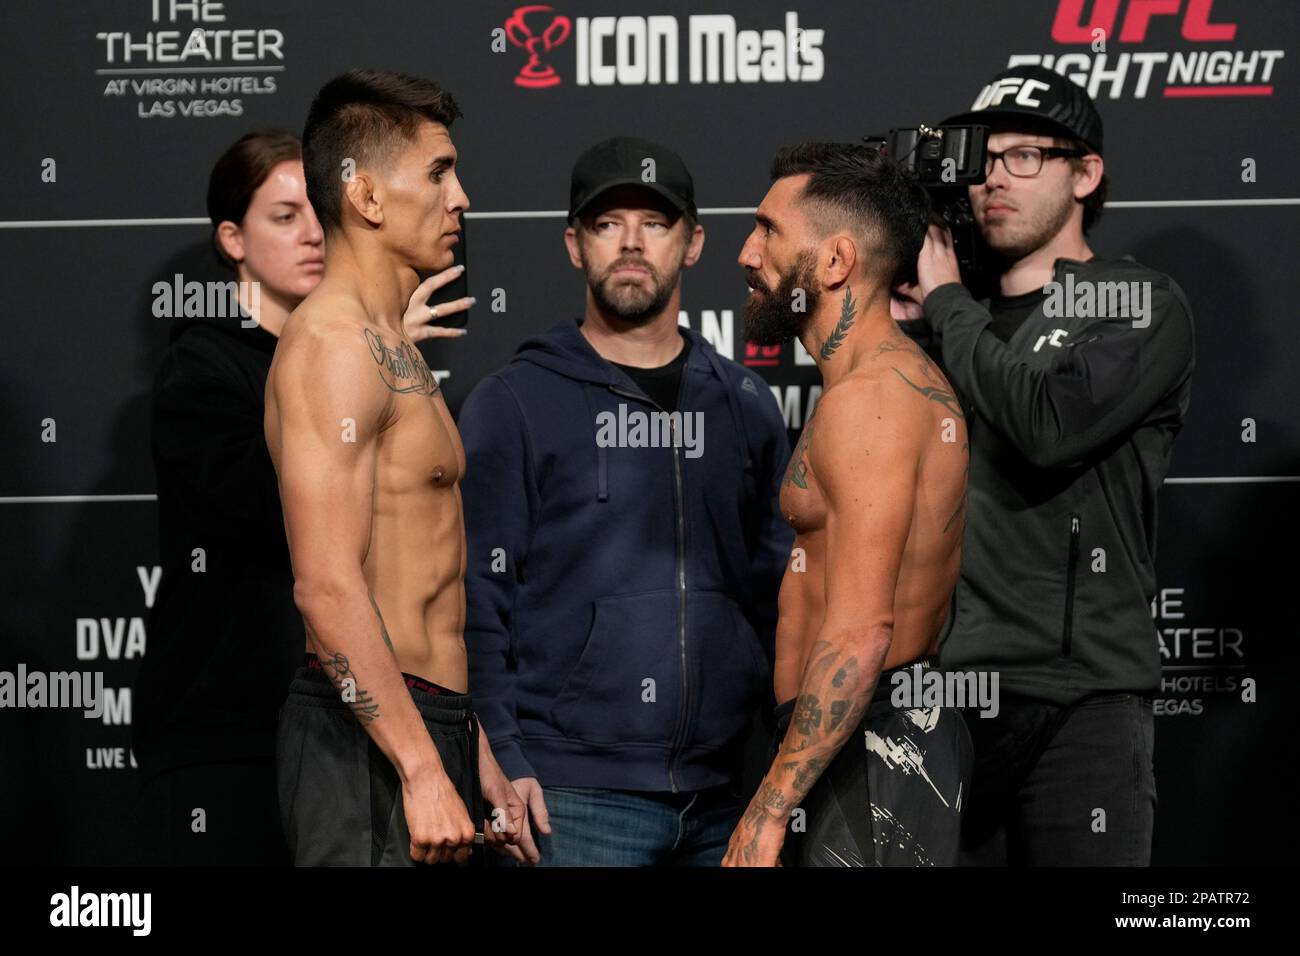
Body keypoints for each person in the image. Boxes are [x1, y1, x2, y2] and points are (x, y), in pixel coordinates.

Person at [133, 128, 468, 865]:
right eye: (284, 217)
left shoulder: (366, 350)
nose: (314, 234)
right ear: (233, 239)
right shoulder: (203, 369)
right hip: (227, 731)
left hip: (357, 712)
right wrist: (370, 368)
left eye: (316, 211)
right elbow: (277, 514)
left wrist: (384, 355)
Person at [458, 136, 793, 866]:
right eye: (608, 223)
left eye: (656, 223)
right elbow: (476, 597)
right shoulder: (513, 402)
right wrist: (502, 750)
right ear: (574, 245)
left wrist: (782, 764)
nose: (632, 243)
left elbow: (778, 594)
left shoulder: (744, 403)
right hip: (568, 795)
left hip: (727, 793)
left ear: (693, 243)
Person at [897, 65, 1195, 865]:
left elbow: (1048, 427)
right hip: (945, 699)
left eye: (1024, 156)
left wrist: (946, 304)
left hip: (1080, 700)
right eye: (983, 158)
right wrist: (905, 328)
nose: (995, 178)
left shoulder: (1133, 299)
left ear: (1085, 174)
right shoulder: (942, 324)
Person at [265, 70, 521, 866]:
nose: (462, 199)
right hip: (366, 739)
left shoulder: (389, 346)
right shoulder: (333, 346)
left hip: (427, 722)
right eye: (439, 173)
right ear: (367, 195)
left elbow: (417, 572)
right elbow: (326, 585)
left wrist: (472, 752)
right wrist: (419, 768)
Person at [723, 143, 973, 868]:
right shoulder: (876, 384)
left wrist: (770, 809)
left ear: (835, 261)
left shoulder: (871, 400)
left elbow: (863, 631)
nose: (747, 254)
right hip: (856, 743)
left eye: (768, 230)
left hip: (871, 748)